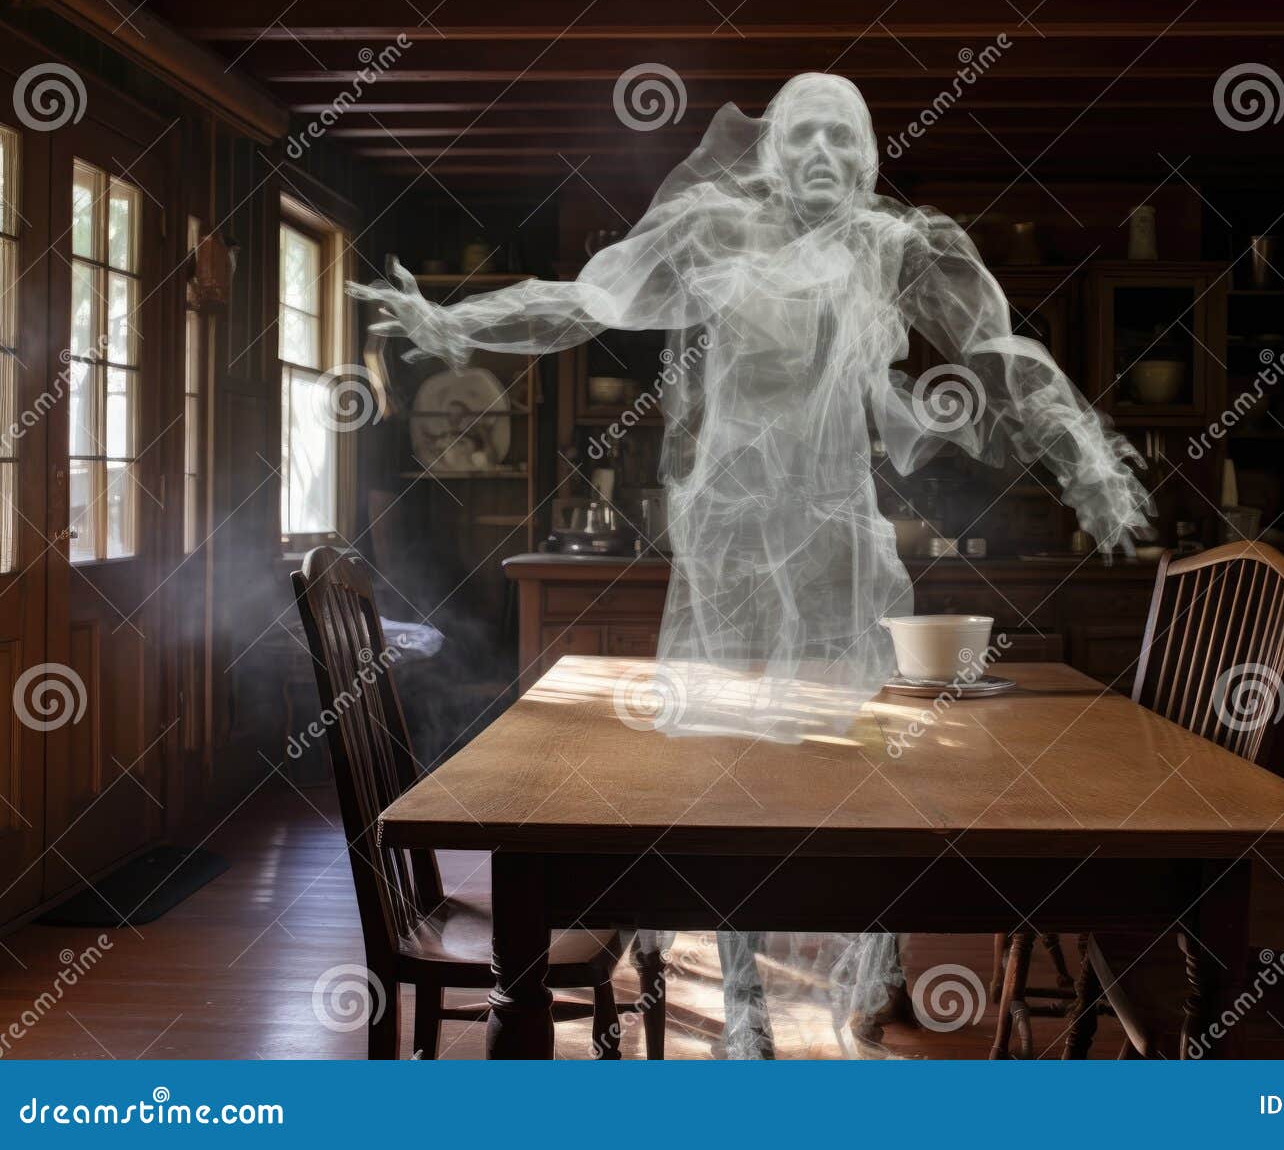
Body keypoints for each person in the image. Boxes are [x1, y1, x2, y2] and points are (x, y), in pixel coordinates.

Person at [352, 71, 1150, 1055]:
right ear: (772, 152)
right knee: (721, 770)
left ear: (866, 159)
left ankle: (874, 968)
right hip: (729, 545)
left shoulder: (894, 246)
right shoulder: (713, 231)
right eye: (803, 135)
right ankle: (742, 997)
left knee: (872, 757)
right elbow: (587, 299)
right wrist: (455, 322)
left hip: (839, 548)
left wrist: (1087, 454)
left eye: (841, 137)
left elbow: (998, 348)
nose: (821, 153)